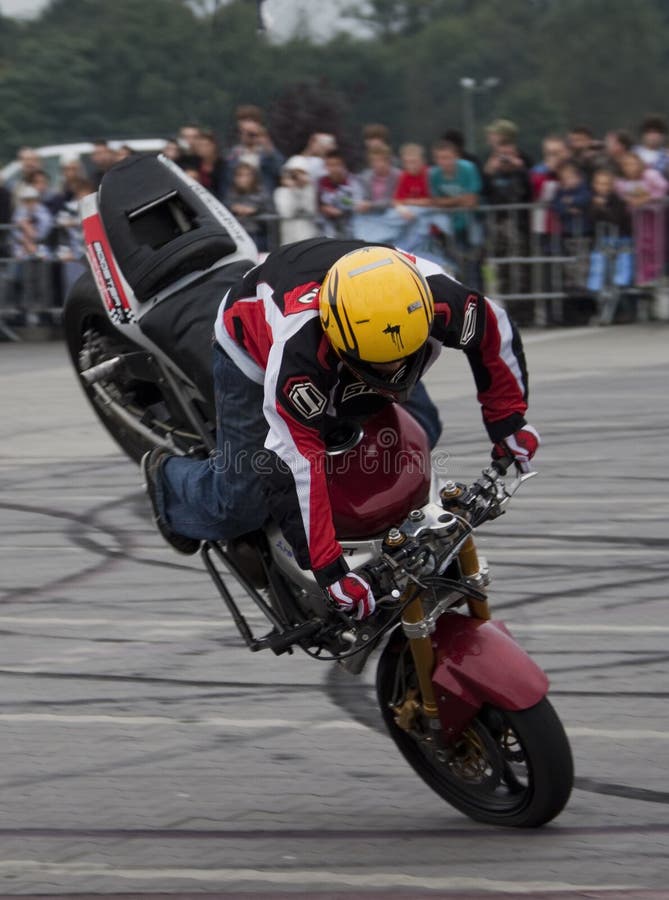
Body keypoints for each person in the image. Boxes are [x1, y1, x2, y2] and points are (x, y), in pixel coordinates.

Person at [141, 238, 539, 619]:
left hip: (365, 315)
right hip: (252, 348)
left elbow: (495, 329)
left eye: (401, 360)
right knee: (240, 502)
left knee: (425, 429)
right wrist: (329, 571)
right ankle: (168, 481)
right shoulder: (297, 354)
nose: (392, 371)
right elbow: (293, 460)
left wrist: (508, 422)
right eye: (381, 364)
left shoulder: (442, 300)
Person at [226, 105, 284, 196]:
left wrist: (266, 144)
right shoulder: (234, 153)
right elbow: (228, 179)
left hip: (263, 199)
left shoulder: (267, 151)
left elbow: (280, 171)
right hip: (239, 199)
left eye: (250, 121)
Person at [225, 161, 274, 252]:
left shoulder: (263, 193)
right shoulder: (230, 193)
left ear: (254, 177)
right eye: (240, 175)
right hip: (236, 236)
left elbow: (272, 214)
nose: (243, 179)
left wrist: (255, 211)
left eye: (247, 175)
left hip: (257, 235)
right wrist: (233, 209)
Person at [273, 156, 319, 244]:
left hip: (308, 232)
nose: (297, 177)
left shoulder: (309, 189)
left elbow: (310, 209)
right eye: (293, 173)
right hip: (289, 233)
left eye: (300, 173)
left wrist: (302, 188)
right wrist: (292, 189)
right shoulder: (281, 192)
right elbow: (286, 212)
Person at [316, 150, 360, 238]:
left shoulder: (353, 182)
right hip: (326, 230)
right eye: (330, 165)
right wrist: (323, 208)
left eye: (337, 165)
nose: (334, 169)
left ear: (343, 166)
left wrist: (342, 211)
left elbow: (357, 203)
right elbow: (317, 203)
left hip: (350, 228)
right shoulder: (320, 182)